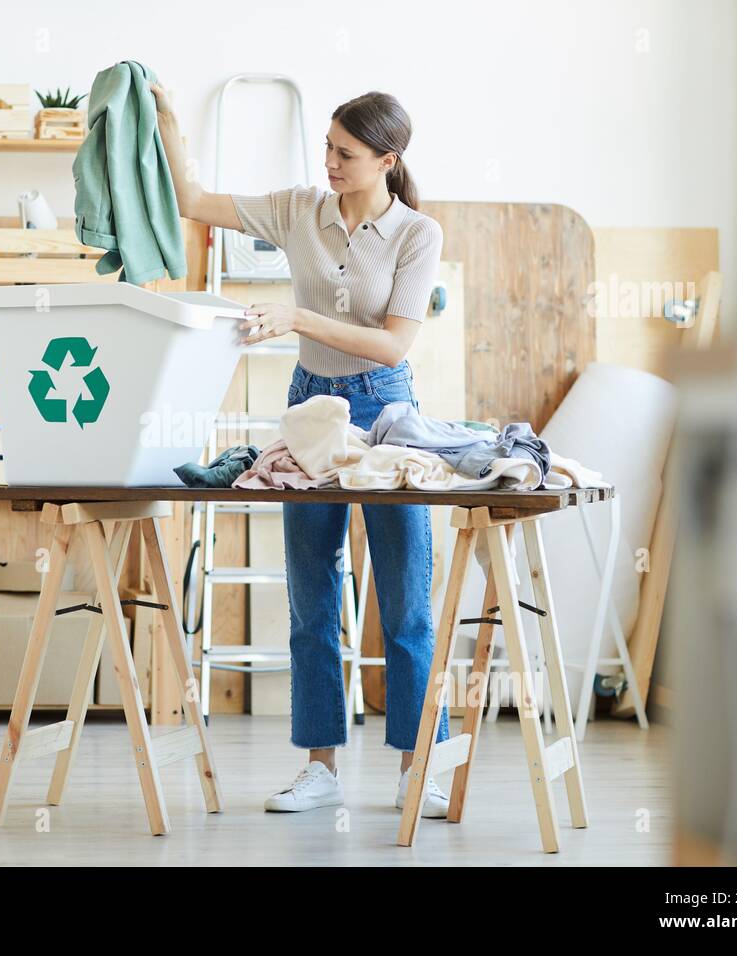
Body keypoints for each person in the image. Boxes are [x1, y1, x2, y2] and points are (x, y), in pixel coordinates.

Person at [153, 84, 450, 817]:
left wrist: (295, 315)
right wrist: (165, 114)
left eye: (346, 154)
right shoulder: (298, 209)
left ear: (388, 159)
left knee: (405, 595)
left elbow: (392, 341)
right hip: (310, 404)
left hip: (386, 407)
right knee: (313, 591)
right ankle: (320, 766)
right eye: (326, 147)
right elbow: (192, 199)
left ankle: (419, 768)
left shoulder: (418, 234)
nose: (330, 163)